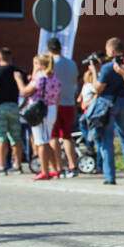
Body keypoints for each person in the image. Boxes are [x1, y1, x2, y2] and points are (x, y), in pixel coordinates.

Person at [95, 38, 124, 184]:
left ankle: (109, 177)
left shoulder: (107, 67)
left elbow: (98, 88)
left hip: (108, 104)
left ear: (112, 51)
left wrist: (95, 71)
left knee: (107, 139)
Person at [0, 47, 27, 174]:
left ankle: (2, 166)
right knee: (16, 137)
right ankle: (17, 165)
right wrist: (22, 106)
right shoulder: (18, 71)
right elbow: (26, 92)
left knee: (0, 137)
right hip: (14, 106)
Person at [19, 53, 62, 180]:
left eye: (37, 64)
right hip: (51, 108)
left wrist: (19, 80)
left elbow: (25, 91)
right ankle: (54, 168)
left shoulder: (40, 77)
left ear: (42, 65)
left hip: (39, 110)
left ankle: (44, 171)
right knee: (46, 139)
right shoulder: (55, 78)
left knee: (41, 141)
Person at [44, 38, 80, 178]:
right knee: (67, 136)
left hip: (54, 103)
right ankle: (72, 165)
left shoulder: (51, 64)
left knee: (53, 136)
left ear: (48, 49)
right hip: (69, 103)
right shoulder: (71, 63)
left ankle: (58, 167)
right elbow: (75, 83)